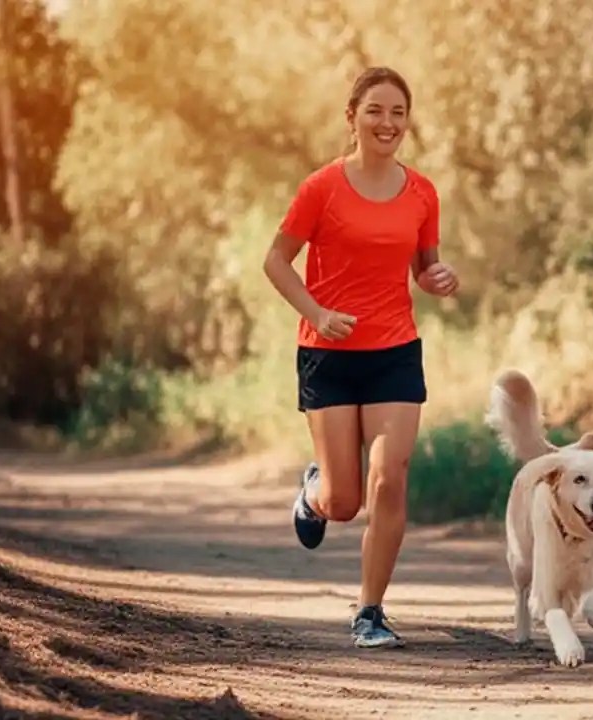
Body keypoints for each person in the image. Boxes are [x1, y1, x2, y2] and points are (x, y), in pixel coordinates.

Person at [262, 66, 459, 649]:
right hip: (328, 352)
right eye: (375, 110)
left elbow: (425, 267)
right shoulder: (321, 187)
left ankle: (369, 612)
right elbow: (276, 260)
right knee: (345, 502)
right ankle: (314, 492)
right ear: (352, 118)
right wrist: (317, 312)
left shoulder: (422, 191)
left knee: (389, 478)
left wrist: (439, 279)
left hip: (395, 350)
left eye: (398, 112)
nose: (388, 123)